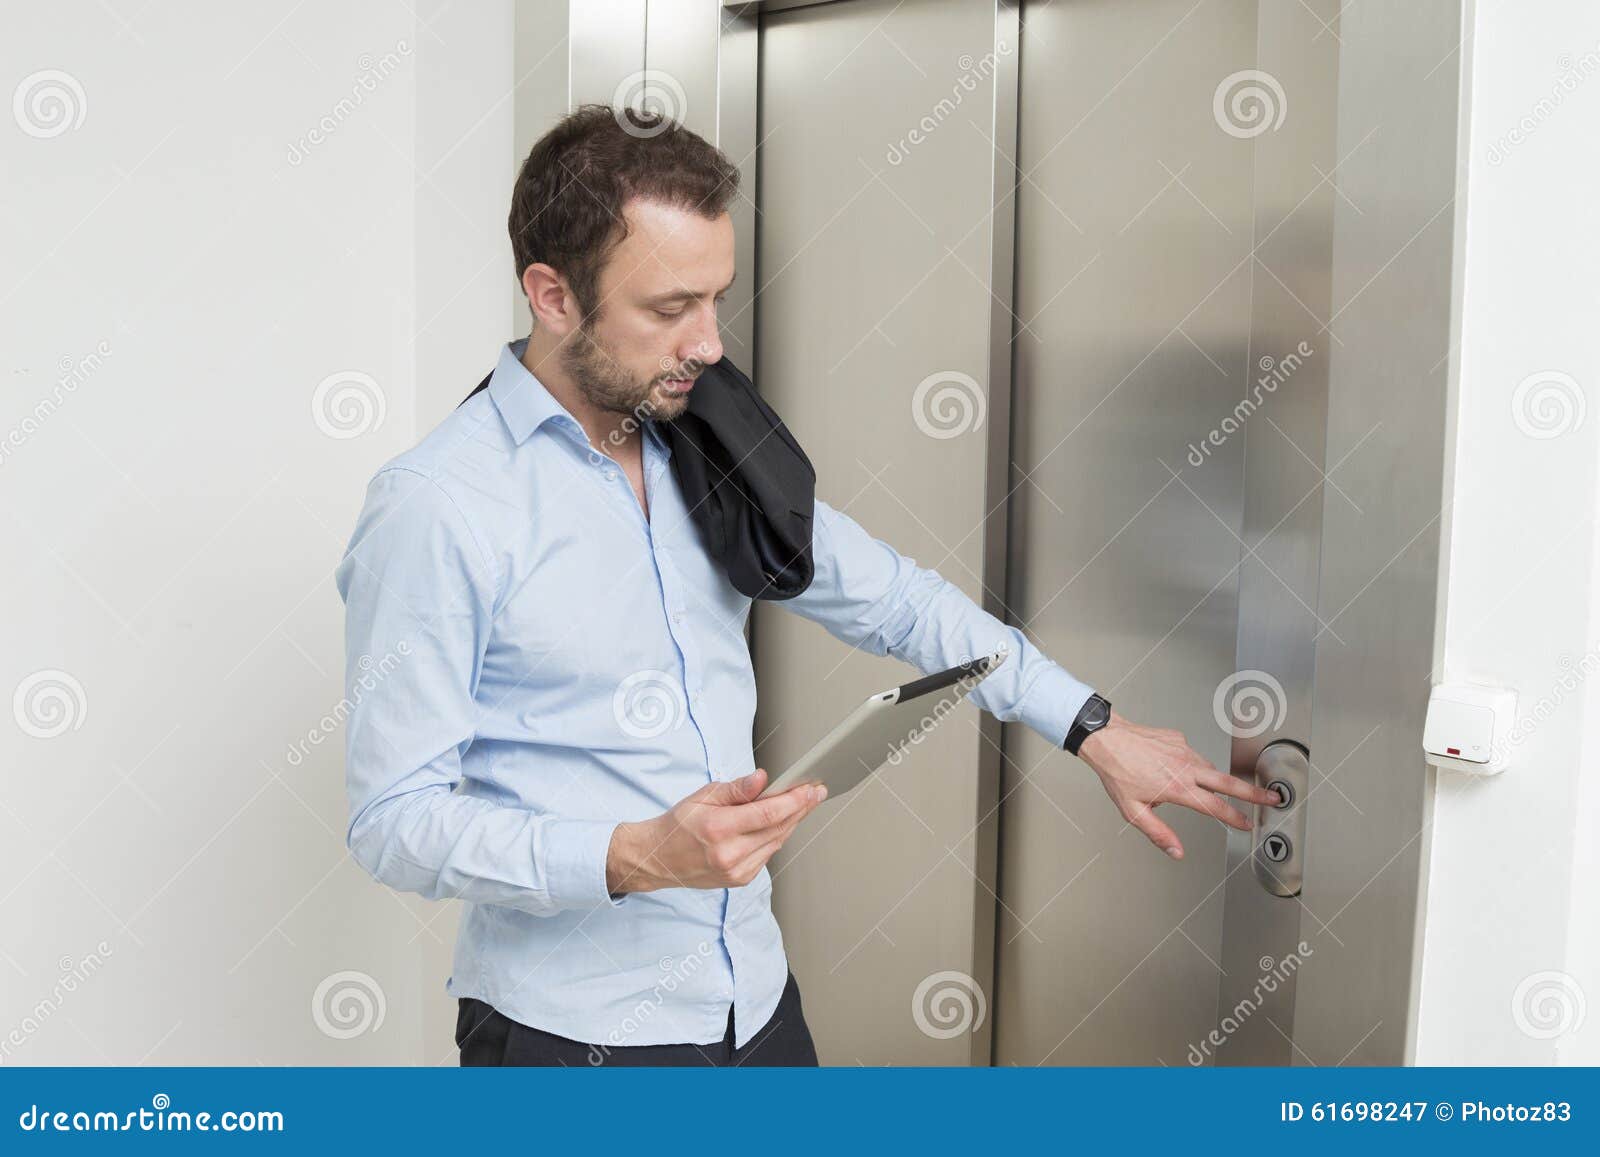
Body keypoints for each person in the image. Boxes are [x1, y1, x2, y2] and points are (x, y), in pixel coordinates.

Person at [334, 104, 1281, 1067]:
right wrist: (637, 854)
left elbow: (901, 602)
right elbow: (393, 821)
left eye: (716, 300)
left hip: (752, 1000)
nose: (708, 345)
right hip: (570, 1035)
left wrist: (1094, 727)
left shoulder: (708, 441)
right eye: (669, 310)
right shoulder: (439, 507)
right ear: (552, 295)